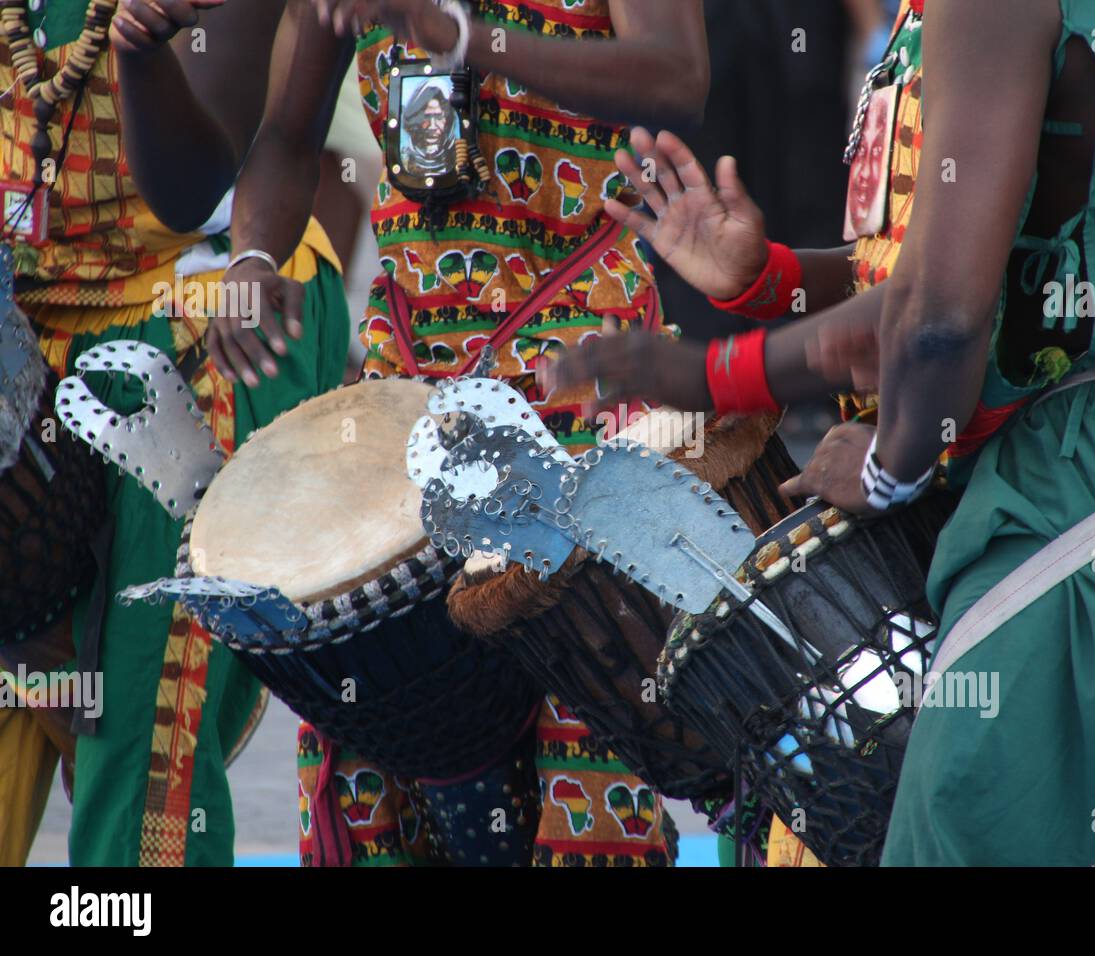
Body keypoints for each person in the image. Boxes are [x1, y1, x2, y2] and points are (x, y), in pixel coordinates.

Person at [544, 0, 1095, 866]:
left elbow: (942, 316)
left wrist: (883, 459)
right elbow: (1029, 265)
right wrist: (770, 281)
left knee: (961, 830)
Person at [217, 0, 708, 867]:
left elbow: (677, 75)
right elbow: (290, 136)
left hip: (578, 379)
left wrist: (471, 39)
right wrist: (254, 257)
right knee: (388, 738)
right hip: (404, 406)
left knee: (583, 735)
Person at [0, 0, 351, 866]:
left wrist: (136, 50)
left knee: (133, 699)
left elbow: (194, 186)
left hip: (200, 300)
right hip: (24, 310)